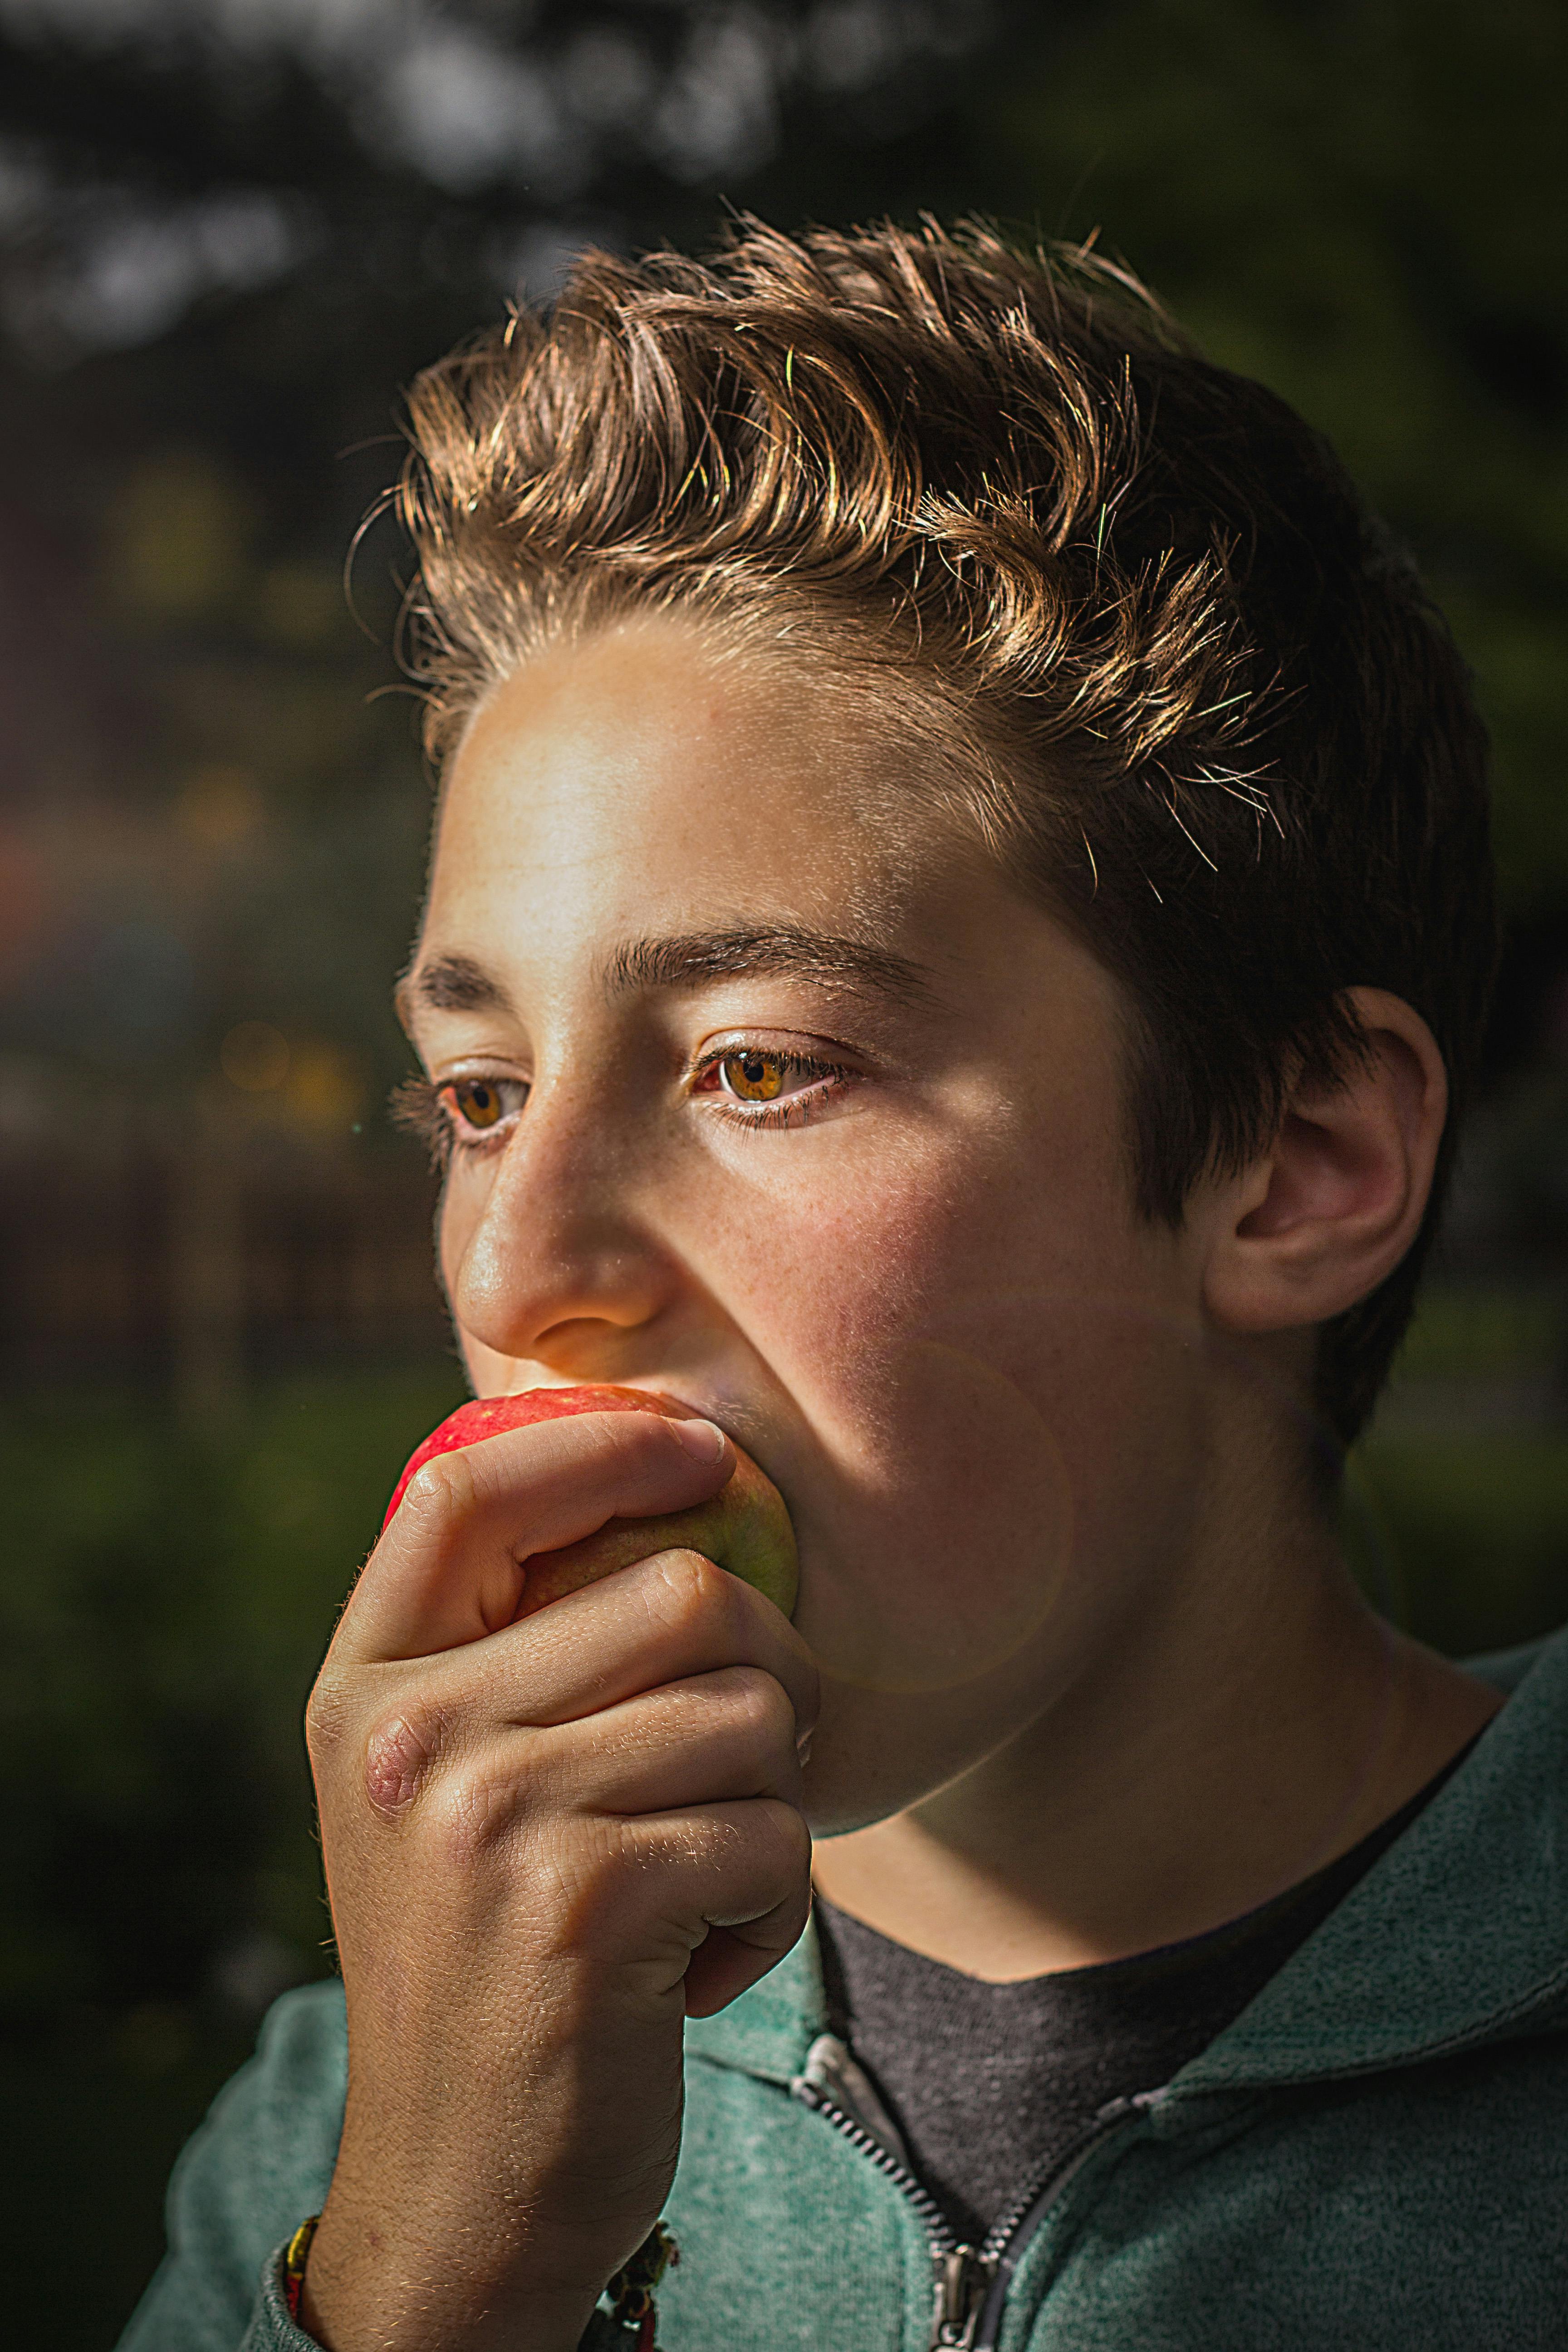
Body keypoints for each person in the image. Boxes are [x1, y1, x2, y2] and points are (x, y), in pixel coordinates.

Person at [119, 218, 1567, 2352]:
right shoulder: (341, 2146)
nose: (525, 1266)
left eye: (760, 1066)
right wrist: (433, 2286)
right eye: (480, 1092)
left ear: (1300, 1165)